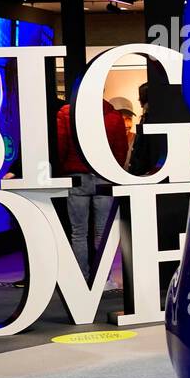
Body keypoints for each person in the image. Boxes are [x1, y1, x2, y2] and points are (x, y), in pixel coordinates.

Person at [57, 92, 129, 278]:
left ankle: (82, 278)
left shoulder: (66, 113)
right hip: (104, 178)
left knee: (79, 234)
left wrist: (64, 168)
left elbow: (60, 146)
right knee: (102, 234)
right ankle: (103, 280)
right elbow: (121, 150)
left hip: (76, 177)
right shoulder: (113, 116)